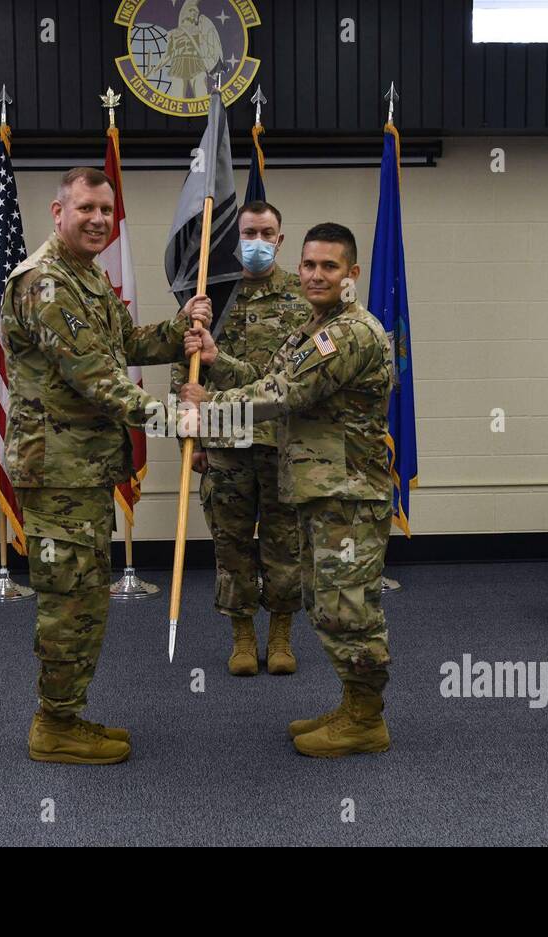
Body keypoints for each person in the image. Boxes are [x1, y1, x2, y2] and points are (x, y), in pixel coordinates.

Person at [2, 167, 211, 765]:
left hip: (84, 469)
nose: (98, 220)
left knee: (86, 595)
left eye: (106, 211)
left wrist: (180, 331)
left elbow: (127, 343)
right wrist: (174, 418)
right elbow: (96, 377)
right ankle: (54, 725)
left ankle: (66, 715)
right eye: (86, 208)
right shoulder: (45, 284)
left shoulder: (87, 277)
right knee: (69, 598)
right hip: (58, 471)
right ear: (57, 210)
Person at [179, 222, 394, 758]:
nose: (316, 275)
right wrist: (215, 368)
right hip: (322, 489)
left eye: (330, 266)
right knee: (328, 603)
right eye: (309, 265)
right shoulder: (313, 328)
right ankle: (352, 705)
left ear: (353, 274)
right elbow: (263, 373)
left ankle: (367, 719)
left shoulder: (348, 333)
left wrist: (209, 405)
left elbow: (282, 391)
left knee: (349, 608)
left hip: (348, 494)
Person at [170, 201, 313, 677]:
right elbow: (183, 371)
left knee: (284, 545)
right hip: (224, 445)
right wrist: (188, 440)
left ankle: (281, 635)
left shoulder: (301, 299)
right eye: (248, 232)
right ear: (235, 239)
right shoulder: (210, 298)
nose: (256, 241)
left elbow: (294, 378)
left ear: (280, 240)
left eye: (266, 233)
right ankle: (243, 638)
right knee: (230, 546)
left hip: (282, 443)